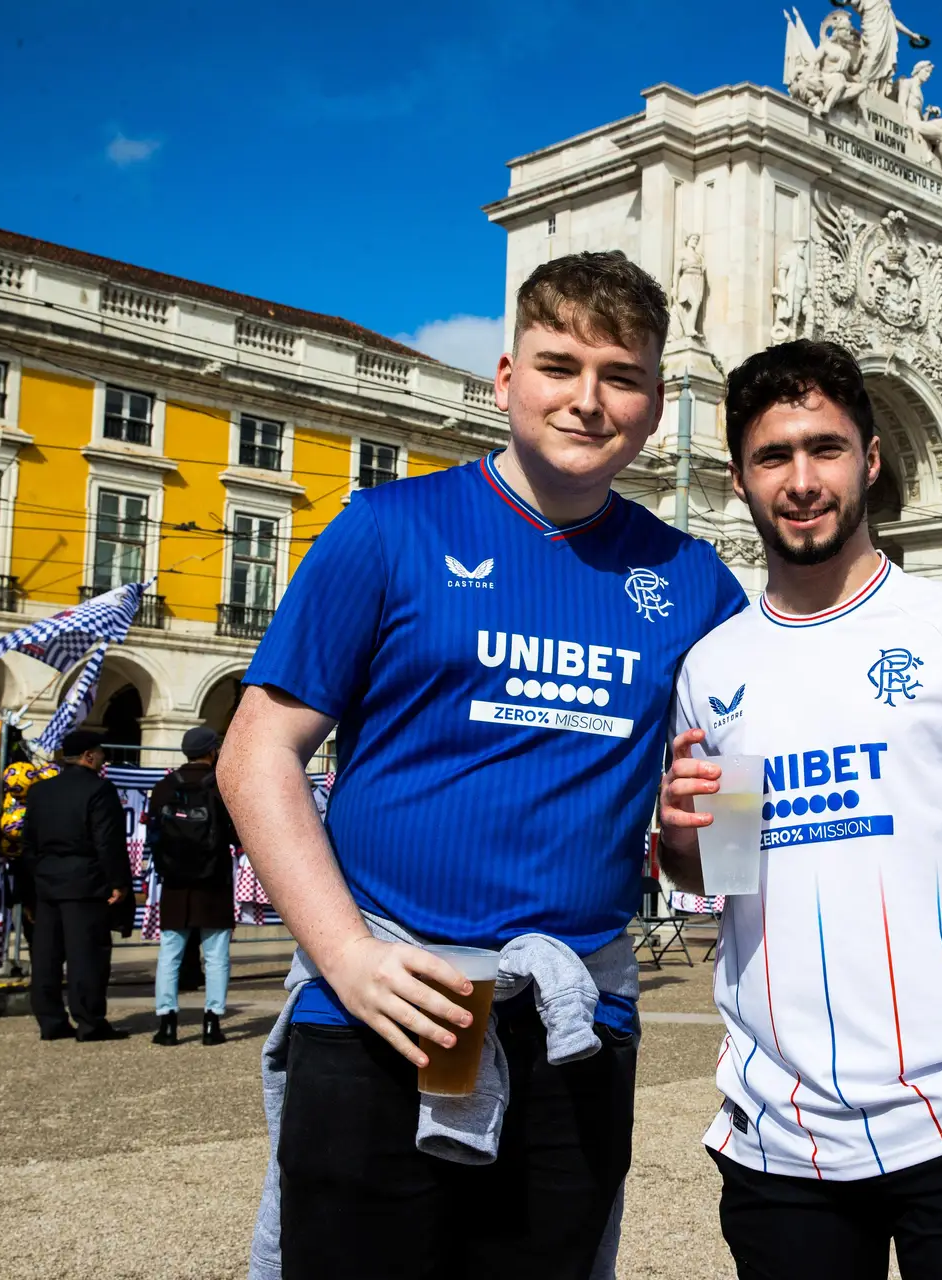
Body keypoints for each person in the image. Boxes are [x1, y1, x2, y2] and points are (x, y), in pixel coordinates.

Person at [221, 252, 744, 1278]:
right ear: (507, 380)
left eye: (621, 376)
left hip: (574, 1015)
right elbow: (256, 756)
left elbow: (714, 857)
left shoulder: (694, 582)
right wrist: (349, 957)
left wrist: (695, 832)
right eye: (560, 366)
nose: (588, 400)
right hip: (378, 992)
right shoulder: (385, 530)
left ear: (653, 407)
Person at [659, 338, 942, 1279]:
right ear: (739, 480)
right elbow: (723, 871)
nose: (801, 481)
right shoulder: (714, 666)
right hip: (778, 1136)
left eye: (825, 449)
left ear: (871, 460)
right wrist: (679, 843)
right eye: (774, 456)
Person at [20, 730, 133, 1042]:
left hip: (45, 880)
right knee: (87, 956)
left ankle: (50, 1019)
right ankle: (89, 1021)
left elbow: (28, 843)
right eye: (100, 753)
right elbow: (107, 840)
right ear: (89, 756)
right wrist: (118, 882)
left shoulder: (40, 792)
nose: (103, 758)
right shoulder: (99, 790)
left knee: (46, 956)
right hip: (85, 881)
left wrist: (30, 885)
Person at [147, 726, 237, 1047]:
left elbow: (153, 837)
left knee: (170, 952)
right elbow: (236, 835)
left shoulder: (163, 787)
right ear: (212, 751)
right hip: (214, 881)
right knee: (216, 954)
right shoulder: (220, 787)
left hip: (174, 882)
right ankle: (212, 1023)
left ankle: (167, 1023)